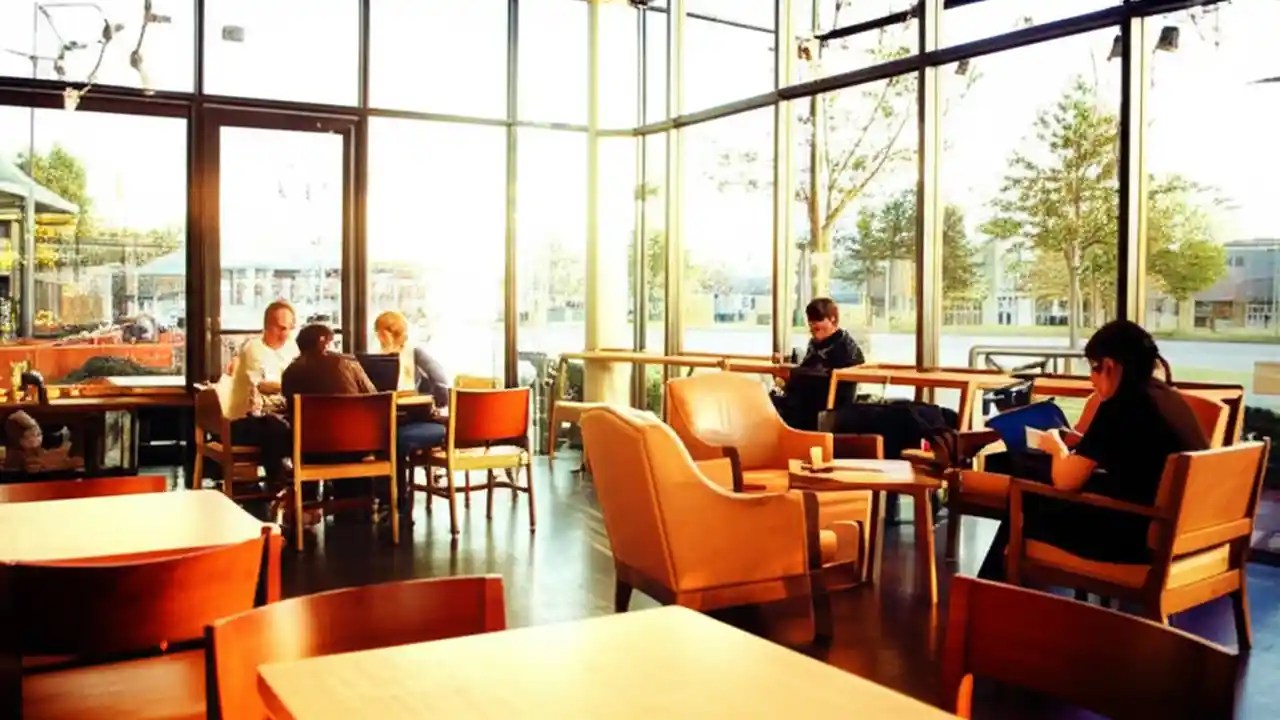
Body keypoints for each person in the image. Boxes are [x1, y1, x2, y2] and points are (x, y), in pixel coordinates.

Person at [977, 320, 1208, 581]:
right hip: (1177, 532)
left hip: (1134, 537)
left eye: (1092, 369)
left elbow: (1066, 481)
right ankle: (994, 589)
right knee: (1032, 483)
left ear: (1108, 365)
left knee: (1024, 497)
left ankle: (992, 592)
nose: (1091, 379)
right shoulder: (1168, 397)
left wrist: (1056, 446)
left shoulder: (1121, 404)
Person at [227, 300, 298, 482]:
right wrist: (294, 385)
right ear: (267, 326)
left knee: (310, 426)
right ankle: (280, 485)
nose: (285, 334)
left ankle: (305, 491)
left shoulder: (292, 349)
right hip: (246, 419)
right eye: (281, 328)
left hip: (280, 413)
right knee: (275, 428)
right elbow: (263, 386)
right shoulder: (254, 349)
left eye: (288, 328)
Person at [372, 310, 449, 455]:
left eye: (379, 333)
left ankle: (394, 477)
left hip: (414, 414)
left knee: (390, 436)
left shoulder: (414, 352)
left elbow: (441, 381)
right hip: (389, 413)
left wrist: (436, 402)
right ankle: (387, 476)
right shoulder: (379, 357)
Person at [373, 310, 451, 408]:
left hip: (410, 406)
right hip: (382, 406)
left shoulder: (414, 352)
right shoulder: (376, 356)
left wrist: (438, 403)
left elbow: (440, 377)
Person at [798, 297, 865, 371]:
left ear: (832, 319)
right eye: (810, 320)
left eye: (818, 319)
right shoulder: (814, 344)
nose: (813, 325)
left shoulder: (845, 346)